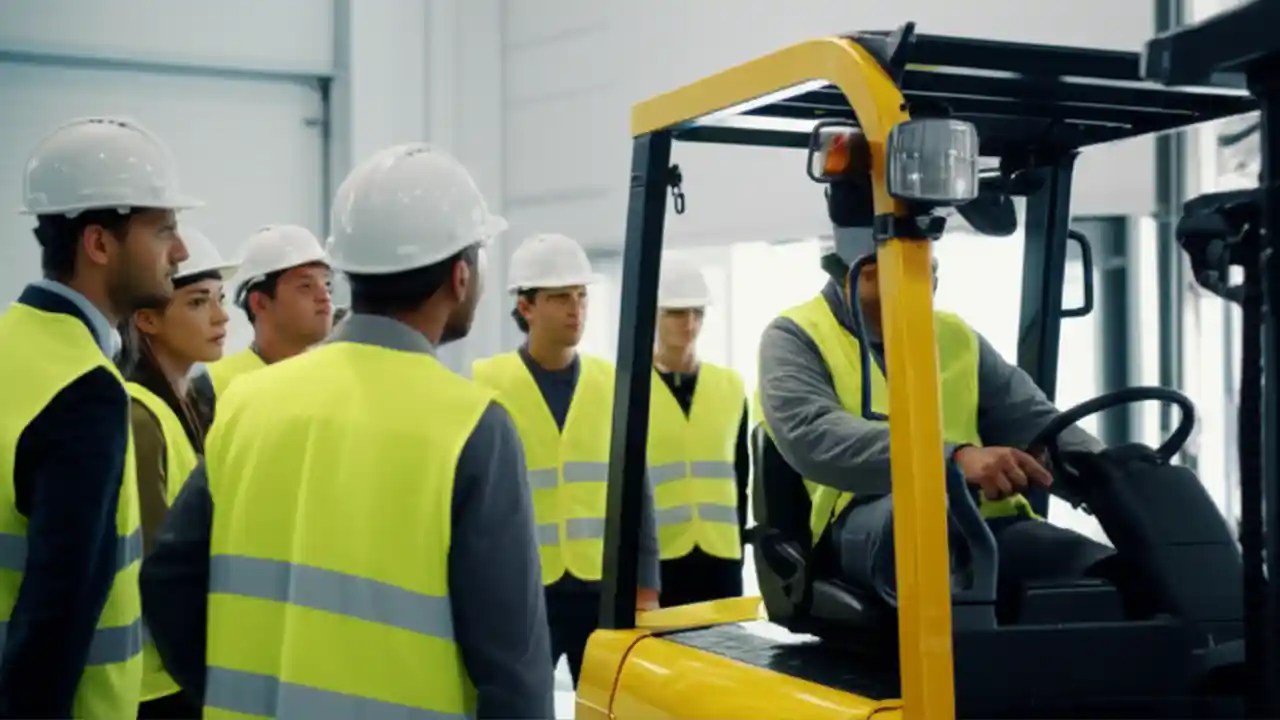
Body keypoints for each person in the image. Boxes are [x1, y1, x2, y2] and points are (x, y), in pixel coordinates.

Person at [140, 143, 555, 719]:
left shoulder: (250, 402)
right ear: (461, 276)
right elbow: (513, 668)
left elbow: (166, 582)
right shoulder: (472, 427)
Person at [757, 222, 1116, 608]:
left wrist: (1116, 474)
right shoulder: (795, 336)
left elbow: (1035, 420)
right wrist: (954, 461)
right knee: (926, 529)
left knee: (1110, 577)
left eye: (923, 264)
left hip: (978, 520)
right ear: (852, 270)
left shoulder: (954, 336)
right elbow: (815, 437)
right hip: (864, 523)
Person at [0, 116, 196, 718]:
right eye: (163, 230)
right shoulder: (84, 390)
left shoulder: (12, 344)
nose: (181, 251)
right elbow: (57, 615)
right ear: (99, 244)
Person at [471, 232, 660, 687]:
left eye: (581, 296)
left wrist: (647, 581)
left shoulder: (611, 381)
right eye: (560, 298)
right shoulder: (484, 383)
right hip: (522, 585)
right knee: (517, 704)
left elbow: (638, 488)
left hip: (601, 585)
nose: (576, 309)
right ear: (526, 306)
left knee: (607, 703)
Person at [117, 225, 235, 718]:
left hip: (178, 670)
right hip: (156, 684)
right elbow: (156, 576)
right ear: (146, 319)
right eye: (197, 302)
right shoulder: (139, 415)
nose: (222, 317)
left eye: (221, 299)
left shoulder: (192, 406)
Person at [648, 257, 749, 606]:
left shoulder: (731, 387)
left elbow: (741, 476)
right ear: (654, 314)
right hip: (659, 560)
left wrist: (739, 553)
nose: (689, 323)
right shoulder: (628, 392)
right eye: (677, 312)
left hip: (721, 557)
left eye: (697, 312)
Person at [201, 224, 332, 398]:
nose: (324, 297)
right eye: (305, 286)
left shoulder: (334, 380)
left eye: (327, 285)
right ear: (260, 303)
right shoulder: (214, 386)